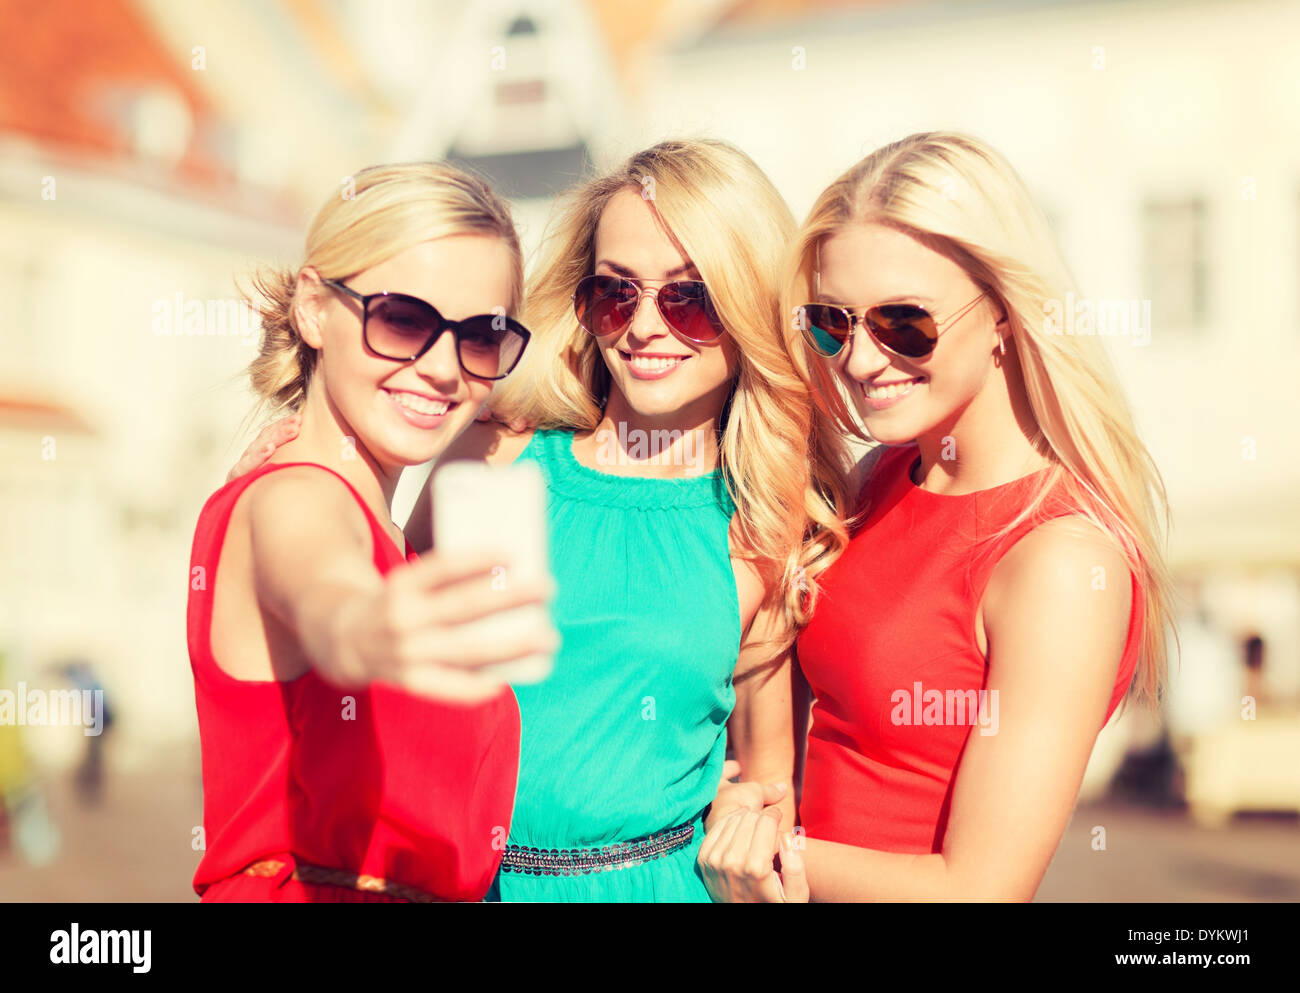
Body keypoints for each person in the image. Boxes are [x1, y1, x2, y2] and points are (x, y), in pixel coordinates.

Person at [699, 131, 1177, 902]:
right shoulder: (885, 475)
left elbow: (980, 889)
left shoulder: (1060, 560)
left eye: (903, 322)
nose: (858, 359)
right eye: (833, 322)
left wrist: (722, 841)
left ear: (1004, 315)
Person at [188, 163, 556, 902]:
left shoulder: (387, 527)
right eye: (403, 320)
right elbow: (327, 589)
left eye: (481, 336)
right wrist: (360, 625)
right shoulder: (294, 496)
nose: (445, 368)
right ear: (316, 309)